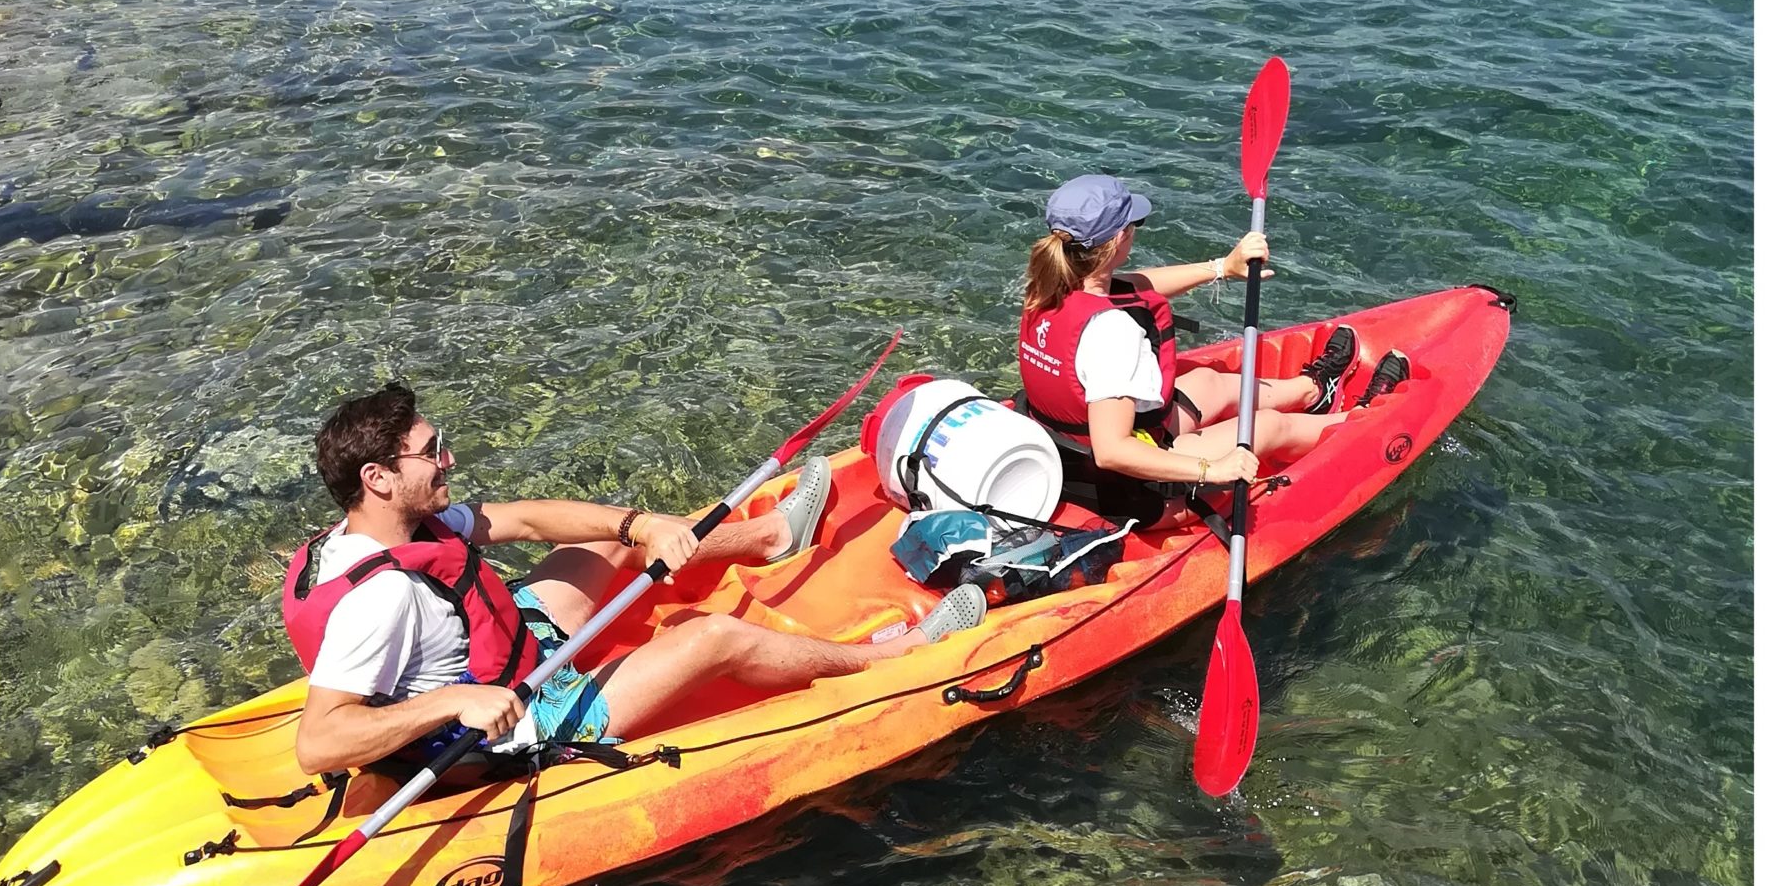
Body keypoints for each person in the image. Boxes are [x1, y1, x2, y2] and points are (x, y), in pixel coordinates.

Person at [283, 383, 982, 782]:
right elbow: (320, 743)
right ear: (377, 478)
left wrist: (641, 526)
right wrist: (459, 701)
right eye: (432, 453)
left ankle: (770, 537)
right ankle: (891, 654)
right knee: (711, 638)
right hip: (517, 719)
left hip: (508, 644)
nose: (450, 459)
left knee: (603, 537)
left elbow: (526, 518)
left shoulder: (392, 529)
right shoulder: (381, 597)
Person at [1018, 173, 1404, 527]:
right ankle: (1360, 422)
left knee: (1209, 382)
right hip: (1134, 494)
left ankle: (1313, 391)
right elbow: (1112, 451)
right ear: (1121, 239)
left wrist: (1223, 267)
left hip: (1073, 466)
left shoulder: (1047, 288)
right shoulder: (1111, 332)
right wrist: (1213, 470)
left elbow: (1136, 285)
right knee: (1265, 427)